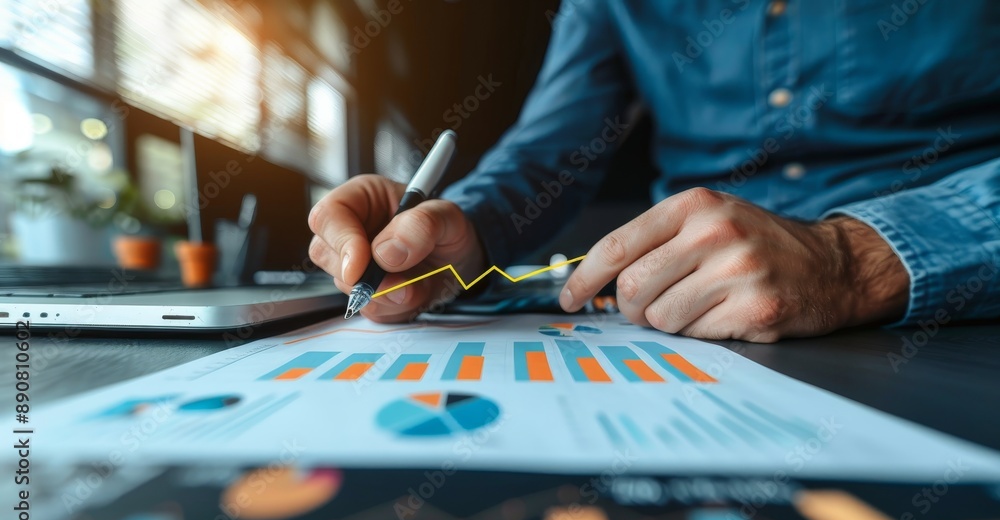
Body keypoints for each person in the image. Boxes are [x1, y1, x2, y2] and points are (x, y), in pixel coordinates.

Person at [308, 0, 1000, 342]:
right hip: (682, 322)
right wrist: (462, 229)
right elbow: (548, 151)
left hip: (954, 326)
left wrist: (853, 260)